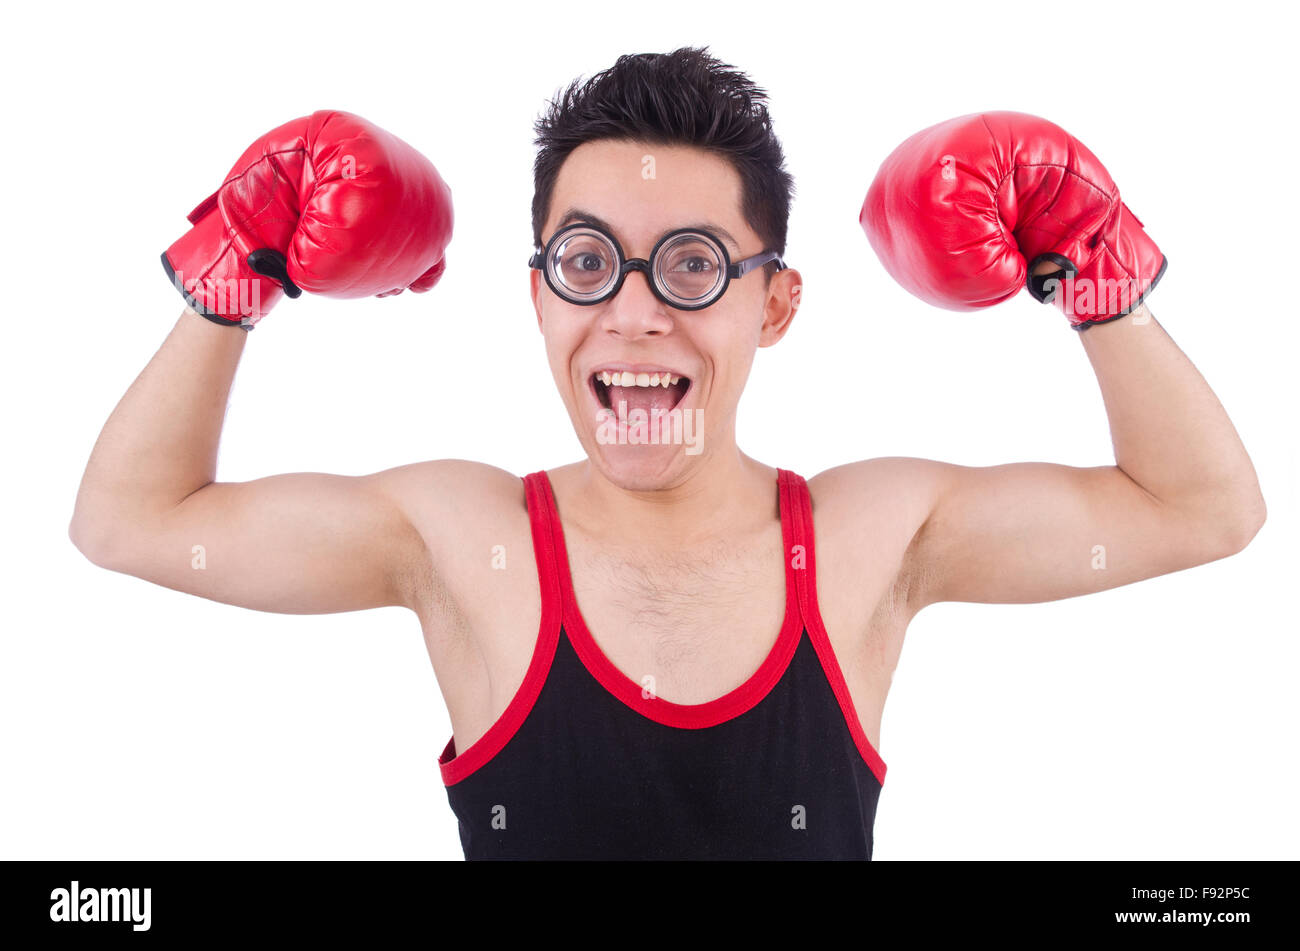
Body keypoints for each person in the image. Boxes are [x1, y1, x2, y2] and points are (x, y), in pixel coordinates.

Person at [68, 47, 1265, 860]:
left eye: (692, 265)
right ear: (536, 299)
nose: (635, 314)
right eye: (587, 263)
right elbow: (128, 522)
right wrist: (233, 272)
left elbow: (1201, 508)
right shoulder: (459, 537)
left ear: (775, 305)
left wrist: (1098, 270)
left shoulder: (864, 536)